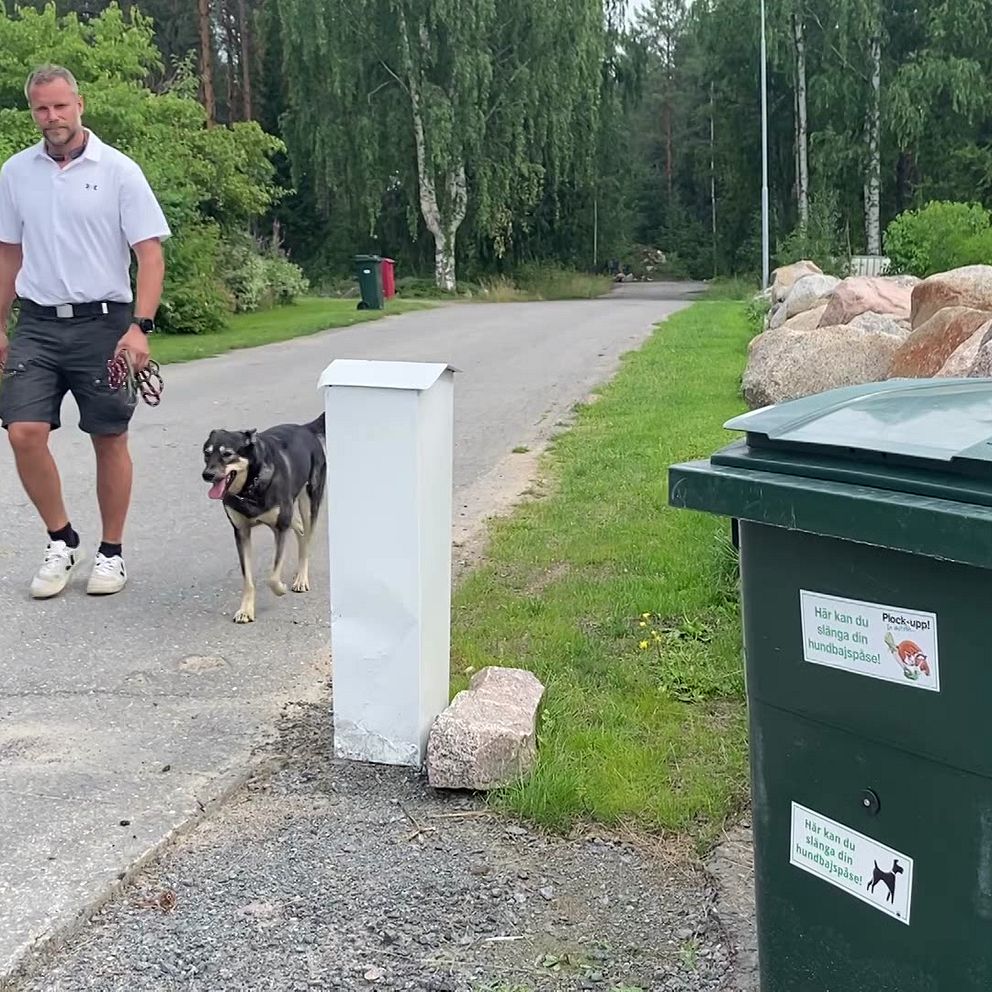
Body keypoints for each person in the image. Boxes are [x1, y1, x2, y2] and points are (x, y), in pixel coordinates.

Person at [0, 64, 171, 599]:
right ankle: (61, 539)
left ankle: (111, 553)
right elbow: (9, 253)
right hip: (38, 322)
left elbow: (149, 254)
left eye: (59, 106)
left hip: (105, 324)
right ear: (33, 112)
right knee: (22, 431)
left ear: (80, 104)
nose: (51, 118)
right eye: (40, 109)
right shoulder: (16, 172)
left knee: (109, 437)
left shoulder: (119, 170)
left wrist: (140, 328)